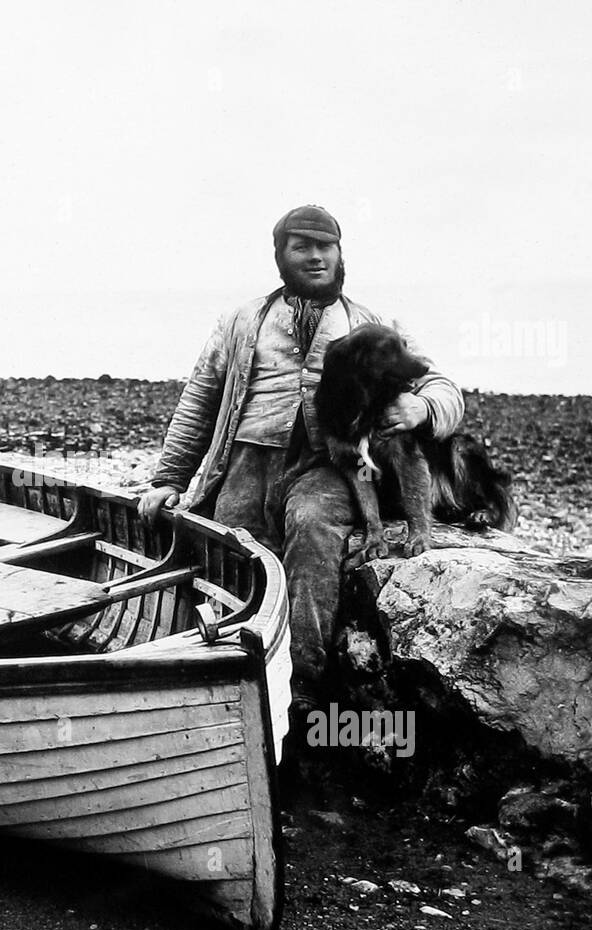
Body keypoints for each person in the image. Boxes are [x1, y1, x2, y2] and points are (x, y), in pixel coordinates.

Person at [138, 204, 464, 760]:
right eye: (301, 247)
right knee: (227, 553)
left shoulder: (369, 324)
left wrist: (420, 407)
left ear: (340, 254)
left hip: (326, 467)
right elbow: (199, 401)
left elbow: (442, 385)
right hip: (245, 462)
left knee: (313, 534)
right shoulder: (242, 321)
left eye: (326, 247)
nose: (315, 256)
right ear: (280, 256)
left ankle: (300, 697)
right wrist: (169, 478)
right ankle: (212, 695)